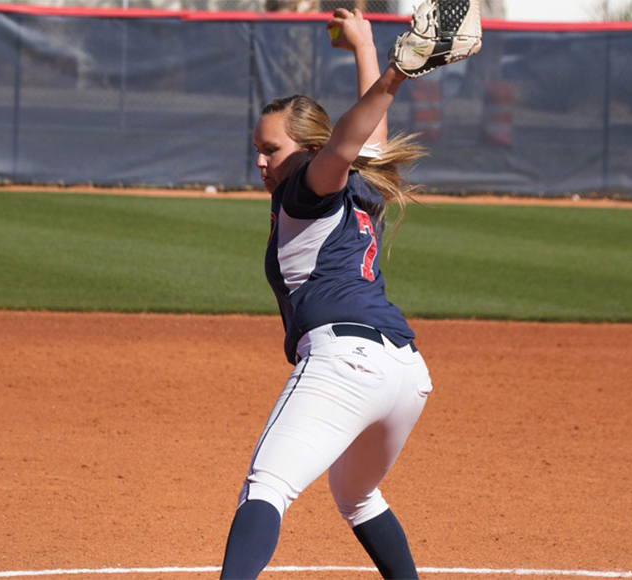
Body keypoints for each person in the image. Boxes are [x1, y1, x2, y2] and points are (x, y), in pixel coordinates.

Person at [218, 5, 479, 579]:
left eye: (271, 149)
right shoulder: (362, 187)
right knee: (357, 496)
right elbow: (365, 143)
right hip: (406, 373)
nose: (260, 160)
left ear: (307, 150)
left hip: (345, 362)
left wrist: (394, 73)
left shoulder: (306, 187)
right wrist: (364, 46)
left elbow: (342, 145)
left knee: (265, 487)